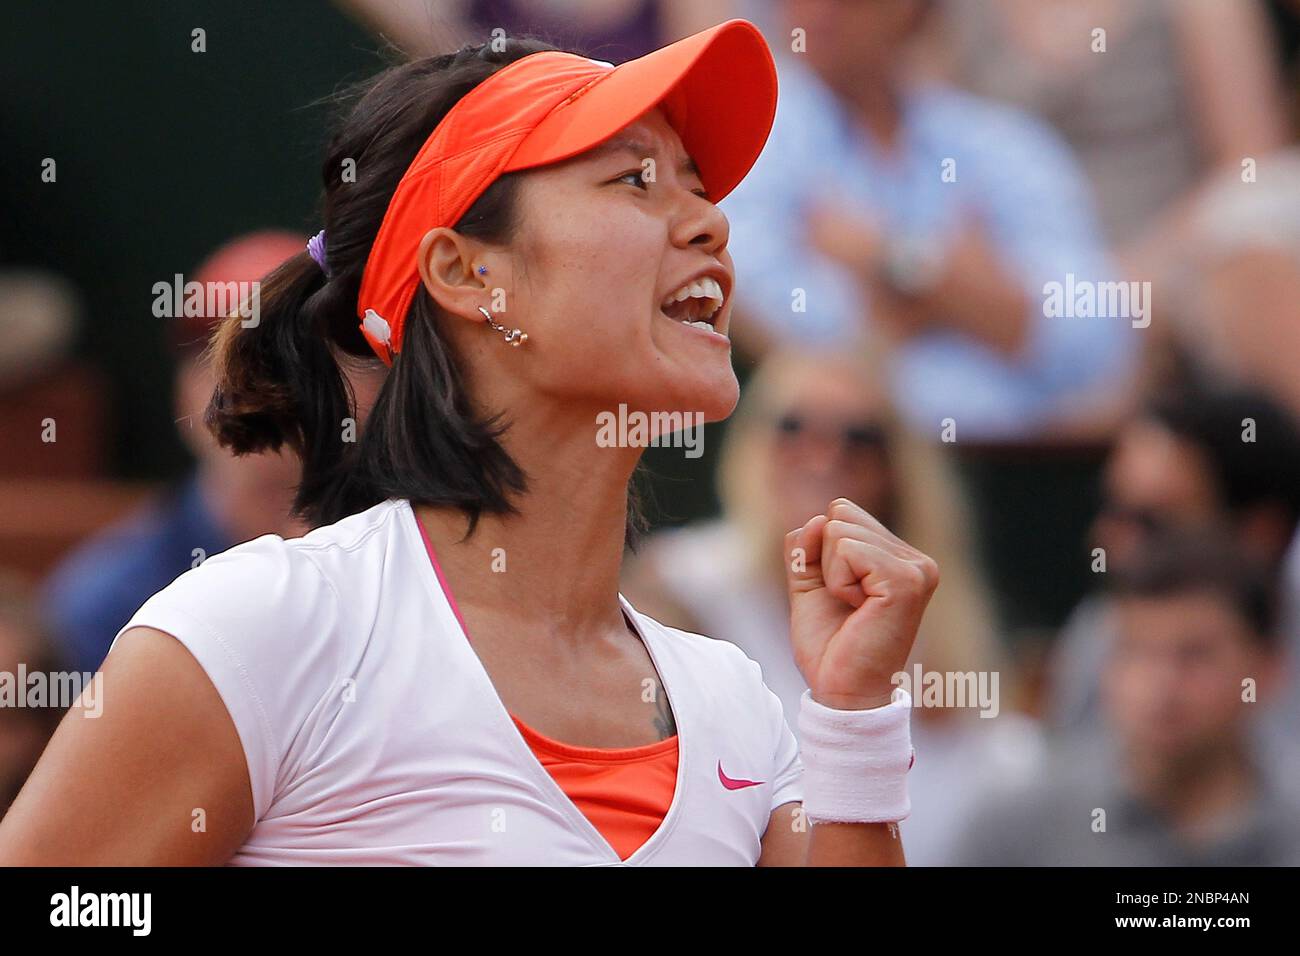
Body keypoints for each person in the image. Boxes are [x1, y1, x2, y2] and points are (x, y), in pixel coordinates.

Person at [0, 20, 940, 866]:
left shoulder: (736, 699)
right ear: (466, 271)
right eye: (635, 180)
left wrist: (854, 717)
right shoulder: (262, 630)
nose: (712, 221)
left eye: (698, 187)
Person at [622, 348, 1043, 865]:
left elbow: (990, 753)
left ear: (897, 467)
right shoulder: (683, 582)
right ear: (754, 444)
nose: (822, 456)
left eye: (858, 438)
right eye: (793, 427)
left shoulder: (929, 594)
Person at [718, 0, 1134, 441]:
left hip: (1014, 467)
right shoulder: (750, 135)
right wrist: (973, 291)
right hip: (850, 463)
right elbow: (796, 330)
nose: (815, 10)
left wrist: (894, 262)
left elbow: (1093, 340)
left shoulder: (1002, 142)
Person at [39, 233, 312, 676]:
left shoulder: (409, 565)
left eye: (288, 363)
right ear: (182, 391)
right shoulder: (106, 600)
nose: (253, 393)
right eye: (218, 360)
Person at [954, 534, 1300, 866]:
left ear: (1267, 668)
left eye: (1195, 655)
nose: (1161, 686)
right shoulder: (1018, 827)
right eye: (1135, 651)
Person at [1048, 384, 1300, 779]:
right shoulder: (1101, 629)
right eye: (1111, 509)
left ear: (1258, 534)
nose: (1107, 540)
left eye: (1151, 521)